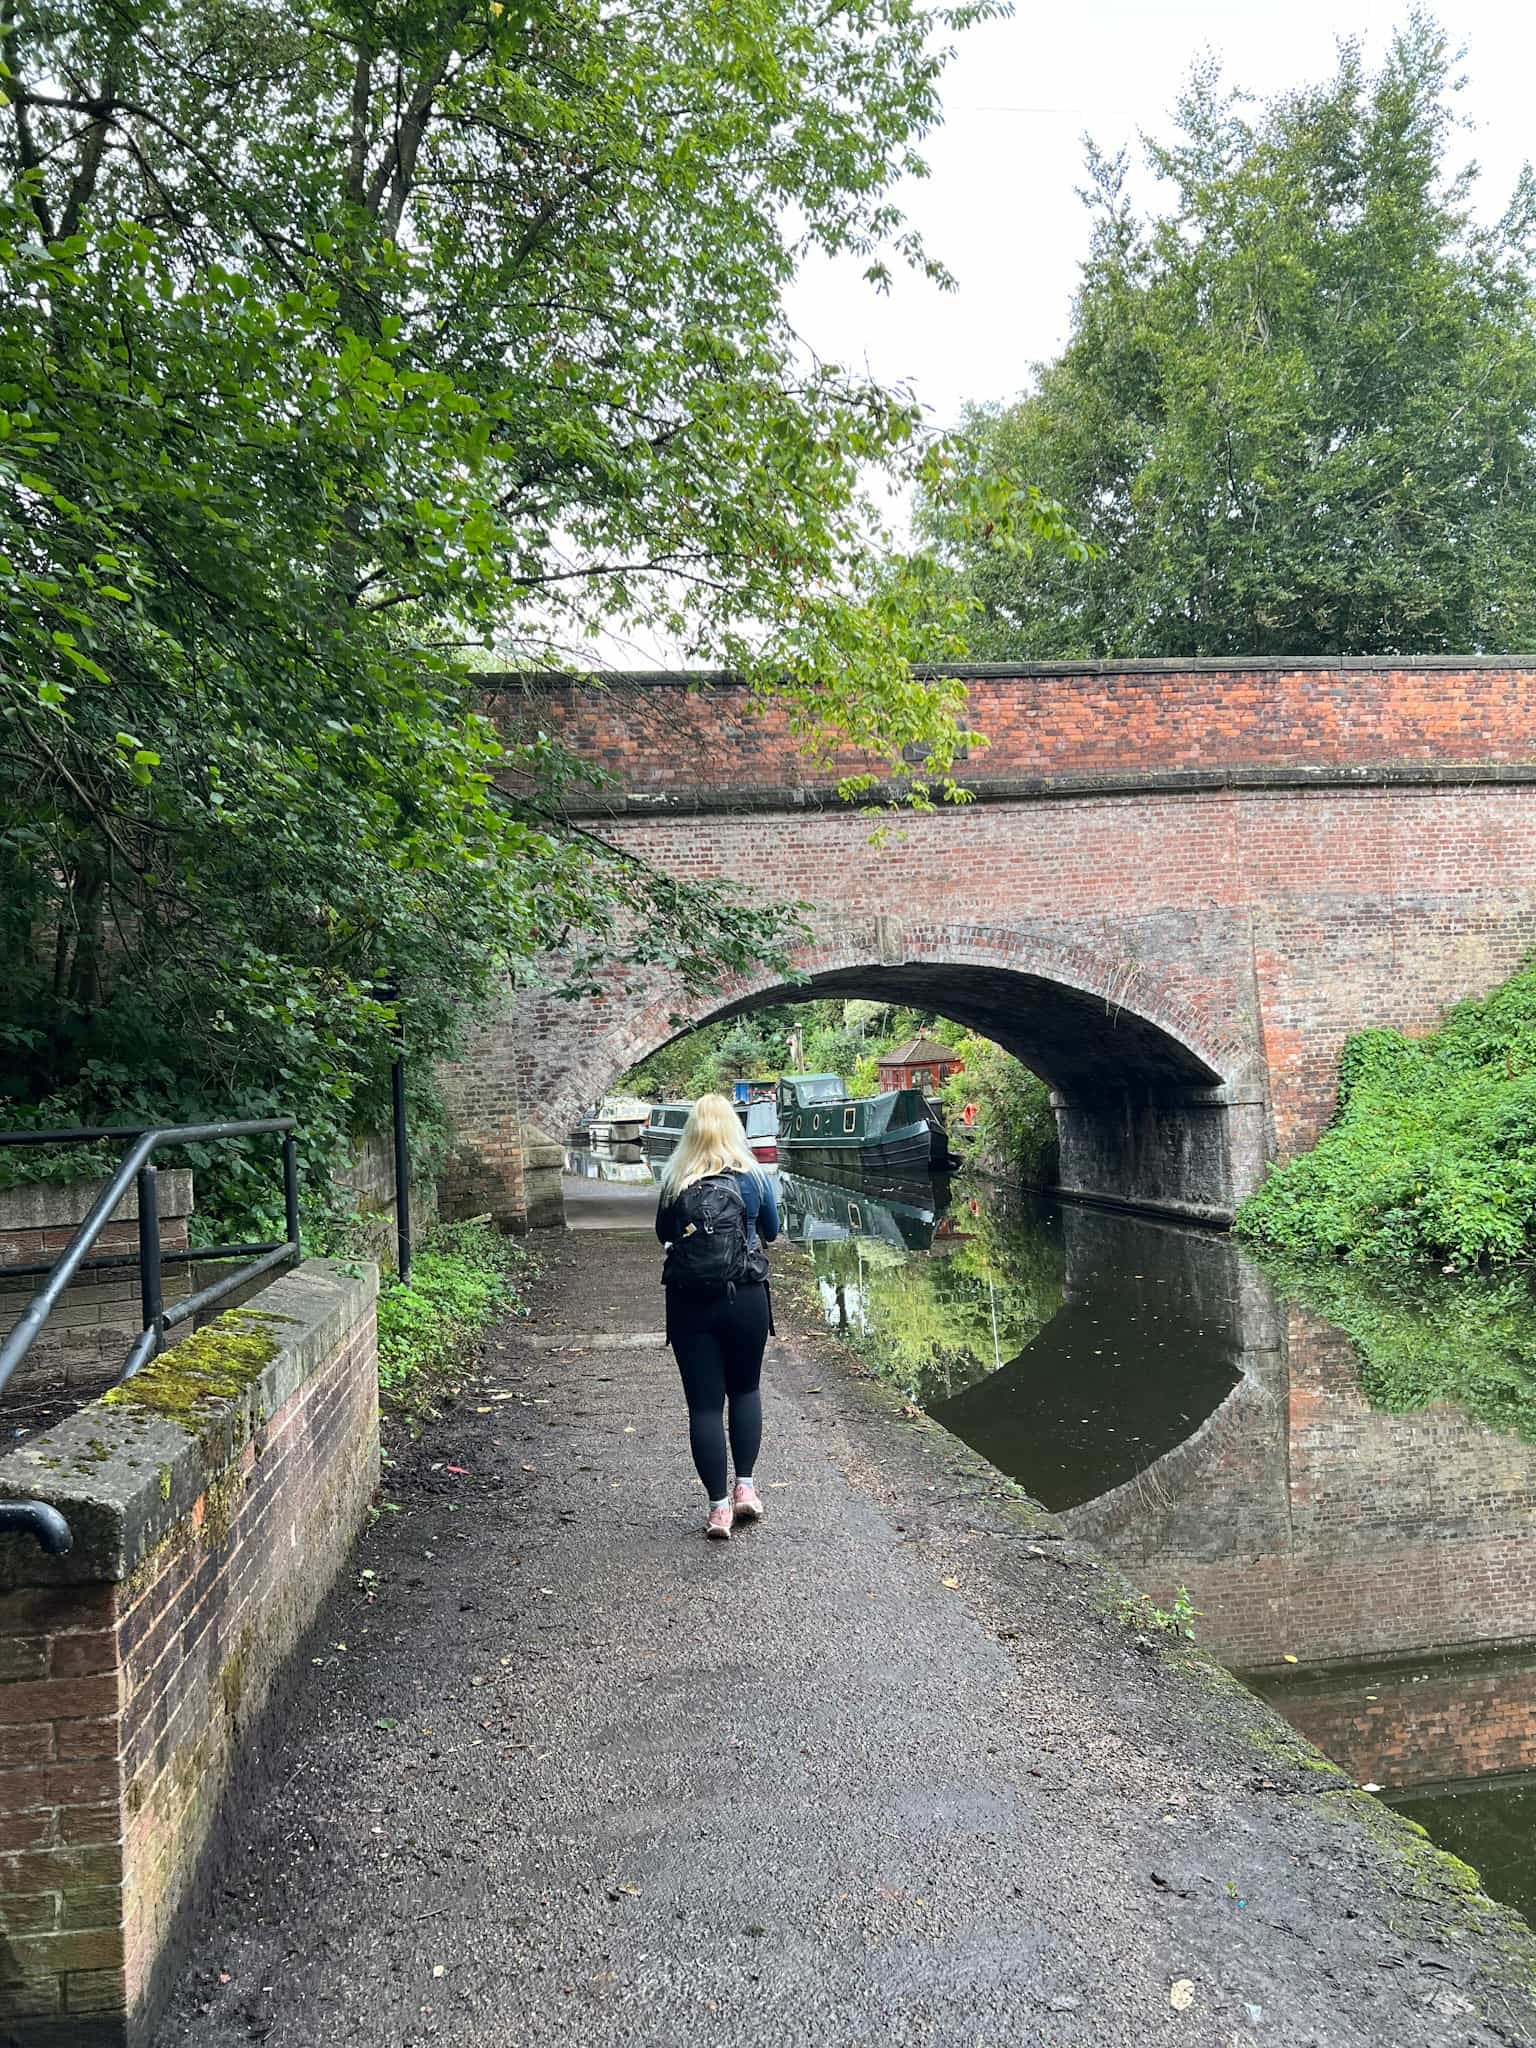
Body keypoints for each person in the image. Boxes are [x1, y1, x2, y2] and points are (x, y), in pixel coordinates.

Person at [654, 1094, 779, 1540]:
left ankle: (719, 1509)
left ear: (691, 1132)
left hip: (691, 1303)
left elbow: (663, 1235)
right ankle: (746, 1488)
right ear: (734, 1131)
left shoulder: (675, 1180)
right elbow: (772, 1231)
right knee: (745, 1390)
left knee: (704, 1407)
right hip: (746, 1297)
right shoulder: (754, 1178)